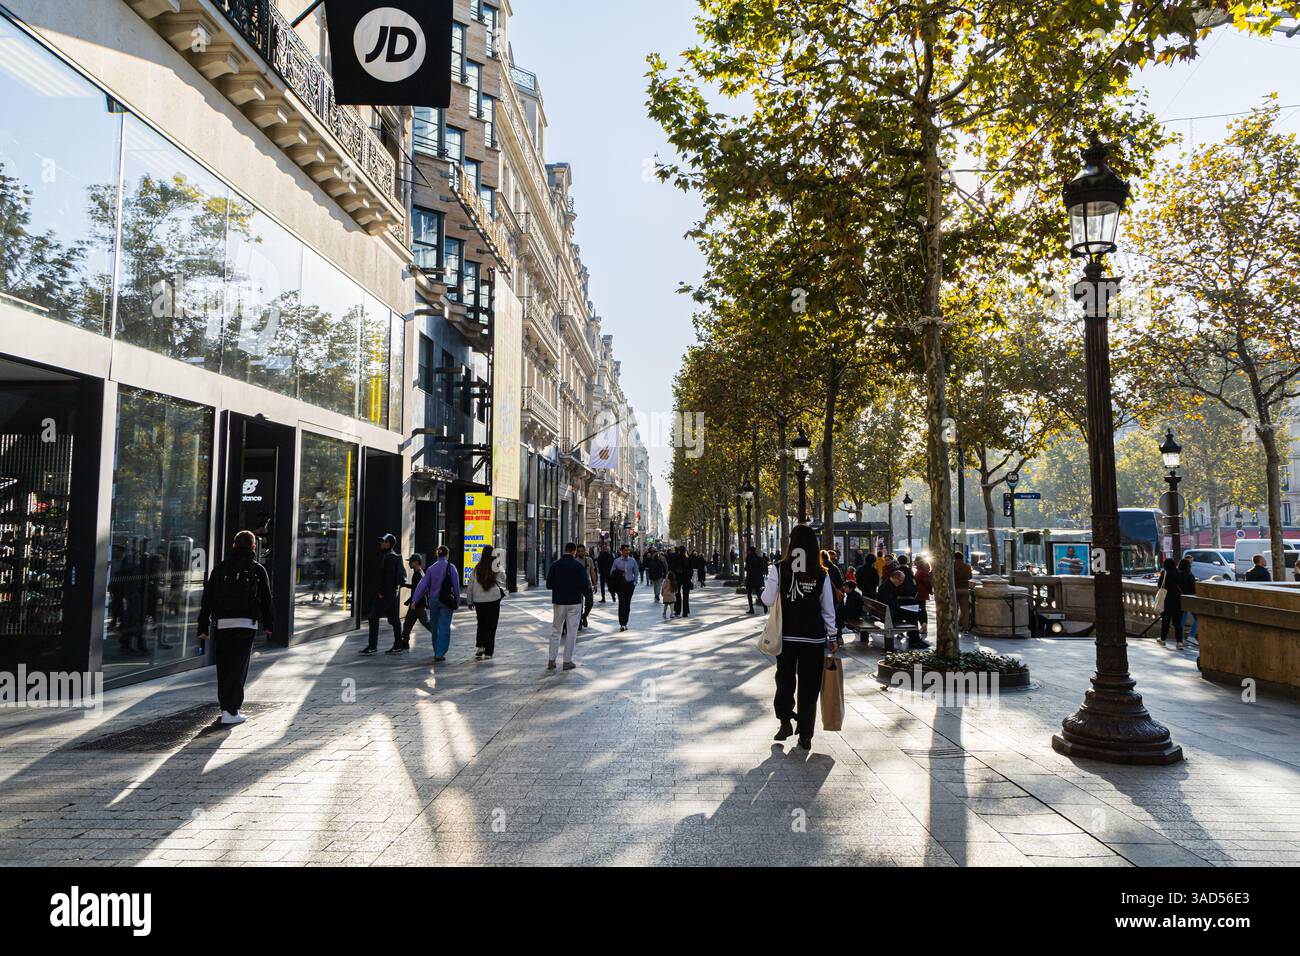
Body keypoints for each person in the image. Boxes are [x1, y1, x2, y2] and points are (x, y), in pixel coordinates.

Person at [761, 524, 839, 751]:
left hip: (786, 637)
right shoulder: (821, 573)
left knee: (784, 680)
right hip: (813, 638)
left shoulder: (779, 568)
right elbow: (828, 610)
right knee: (809, 686)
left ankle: (785, 721)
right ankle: (805, 734)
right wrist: (832, 636)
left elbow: (766, 600)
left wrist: (774, 582)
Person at [197, 531, 273, 726]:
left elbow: (208, 599)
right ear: (253, 547)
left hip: (223, 623)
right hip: (246, 624)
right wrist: (269, 625)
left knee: (224, 667)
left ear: (233, 545)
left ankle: (226, 708)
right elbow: (266, 599)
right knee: (239, 667)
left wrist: (202, 626)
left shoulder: (220, 568)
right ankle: (232, 710)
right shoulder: (257, 569)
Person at [407, 546, 460, 662]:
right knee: (444, 626)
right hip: (446, 601)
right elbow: (456, 586)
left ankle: (436, 649)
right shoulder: (451, 567)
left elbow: (422, 585)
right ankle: (440, 652)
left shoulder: (431, 568)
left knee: (435, 625)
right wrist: (457, 600)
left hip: (433, 600)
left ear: (437, 555)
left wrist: (414, 600)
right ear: (447, 555)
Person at [546, 542, 591, 670]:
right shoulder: (578, 566)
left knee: (556, 630)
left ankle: (551, 660)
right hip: (574, 602)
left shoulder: (555, 565)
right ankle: (567, 661)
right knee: (572, 632)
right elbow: (584, 585)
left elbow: (549, 585)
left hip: (559, 601)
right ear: (574, 551)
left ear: (564, 550)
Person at [362, 533, 406, 656]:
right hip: (391, 594)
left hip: (386, 595)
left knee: (373, 617)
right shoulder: (390, 556)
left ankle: (372, 646)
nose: (381, 543)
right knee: (394, 619)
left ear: (389, 543)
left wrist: (381, 592)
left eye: (383, 541)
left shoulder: (389, 557)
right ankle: (397, 645)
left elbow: (389, 578)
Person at [468, 545, 506, 660]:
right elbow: (504, 578)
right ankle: (489, 651)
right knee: (491, 625)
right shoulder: (496, 567)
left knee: (481, 624)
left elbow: (470, 586)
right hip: (493, 599)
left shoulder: (477, 568)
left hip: (479, 601)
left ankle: (480, 646)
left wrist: (470, 601)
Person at [392, 553, 432, 654]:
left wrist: (413, 601)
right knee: (408, 623)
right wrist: (405, 585)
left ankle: (438, 634)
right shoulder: (419, 572)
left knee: (425, 622)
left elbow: (420, 590)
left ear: (416, 562)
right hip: (416, 603)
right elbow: (416, 587)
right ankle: (405, 642)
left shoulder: (418, 574)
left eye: (411, 561)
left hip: (418, 604)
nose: (409, 563)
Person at [878, 569, 927, 648]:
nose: (901, 583)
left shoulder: (888, 585)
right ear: (895, 578)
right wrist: (903, 608)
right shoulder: (887, 587)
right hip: (889, 615)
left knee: (912, 613)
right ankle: (914, 640)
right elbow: (891, 604)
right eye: (900, 581)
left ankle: (915, 639)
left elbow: (892, 603)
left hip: (887, 612)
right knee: (912, 615)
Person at [1156, 557, 1185, 650]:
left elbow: (1159, 585)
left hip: (1167, 601)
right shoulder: (1179, 573)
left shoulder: (1165, 573)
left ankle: (1163, 639)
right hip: (1178, 602)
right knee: (1178, 623)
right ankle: (1179, 642)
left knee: (1166, 622)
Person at [612, 544, 639, 631]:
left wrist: (635, 582)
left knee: (627, 604)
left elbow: (636, 572)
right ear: (621, 551)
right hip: (620, 585)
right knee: (621, 604)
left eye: (628, 550)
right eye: (625, 550)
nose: (627, 552)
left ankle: (625, 622)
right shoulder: (616, 561)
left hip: (630, 584)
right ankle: (622, 623)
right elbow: (611, 573)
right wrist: (619, 574)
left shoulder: (633, 561)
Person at [1177, 556, 1199, 645]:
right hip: (1190, 598)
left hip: (1181, 598)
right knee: (1198, 618)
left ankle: (1180, 637)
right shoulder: (1190, 575)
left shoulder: (1178, 574)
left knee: (1183, 618)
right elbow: (1194, 587)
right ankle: (1191, 636)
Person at [577, 544, 597, 630]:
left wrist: (595, 584)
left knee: (590, 603)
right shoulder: (575, 561)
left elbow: (592, 572)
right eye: (579, 551)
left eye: (582, 551)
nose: (581, 552)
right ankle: (579, 622)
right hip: (577, 586)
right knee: (579, 605)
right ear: (576, 552)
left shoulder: (589, 560)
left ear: (585, 551)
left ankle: (584, 616)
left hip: (587, 585)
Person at [953, 551, 974, 634]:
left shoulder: (952, 566)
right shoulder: (968, 567)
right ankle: (965, 629)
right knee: (965, 611)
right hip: (964, 589)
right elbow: (970, 577)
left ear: (954, 558)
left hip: (954, 589)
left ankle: (954, 628)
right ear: (962, 558)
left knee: (954, 609)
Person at [745, 546, 768, 614]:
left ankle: (751, 609)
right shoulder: (759, 558)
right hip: (758, 579)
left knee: (749, 594)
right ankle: (764, 606)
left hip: (750, 579)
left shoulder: (748, 558)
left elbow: (746, 568)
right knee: (758, 594)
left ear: (750, 551)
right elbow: (762, 569)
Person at [670, 546, 692, 617]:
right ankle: (685, 612)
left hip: (678, 578)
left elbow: (672, 568)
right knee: (686, 595)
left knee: (677, 594)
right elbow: (691, 569)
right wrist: (689, 578)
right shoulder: (687, 558)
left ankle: (677, 611)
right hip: (686, 578)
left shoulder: (676, 557)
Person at [914, 556, 933, 635]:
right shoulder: (922, 570)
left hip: (920, 593)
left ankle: (923, 625)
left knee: (921, 609)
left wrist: (930, 591)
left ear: (919, 562)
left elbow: (926, 582)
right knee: (921, 609)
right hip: (921, 592)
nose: (914, 562)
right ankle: (923, 625)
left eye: (915, 560)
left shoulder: (922, 571)